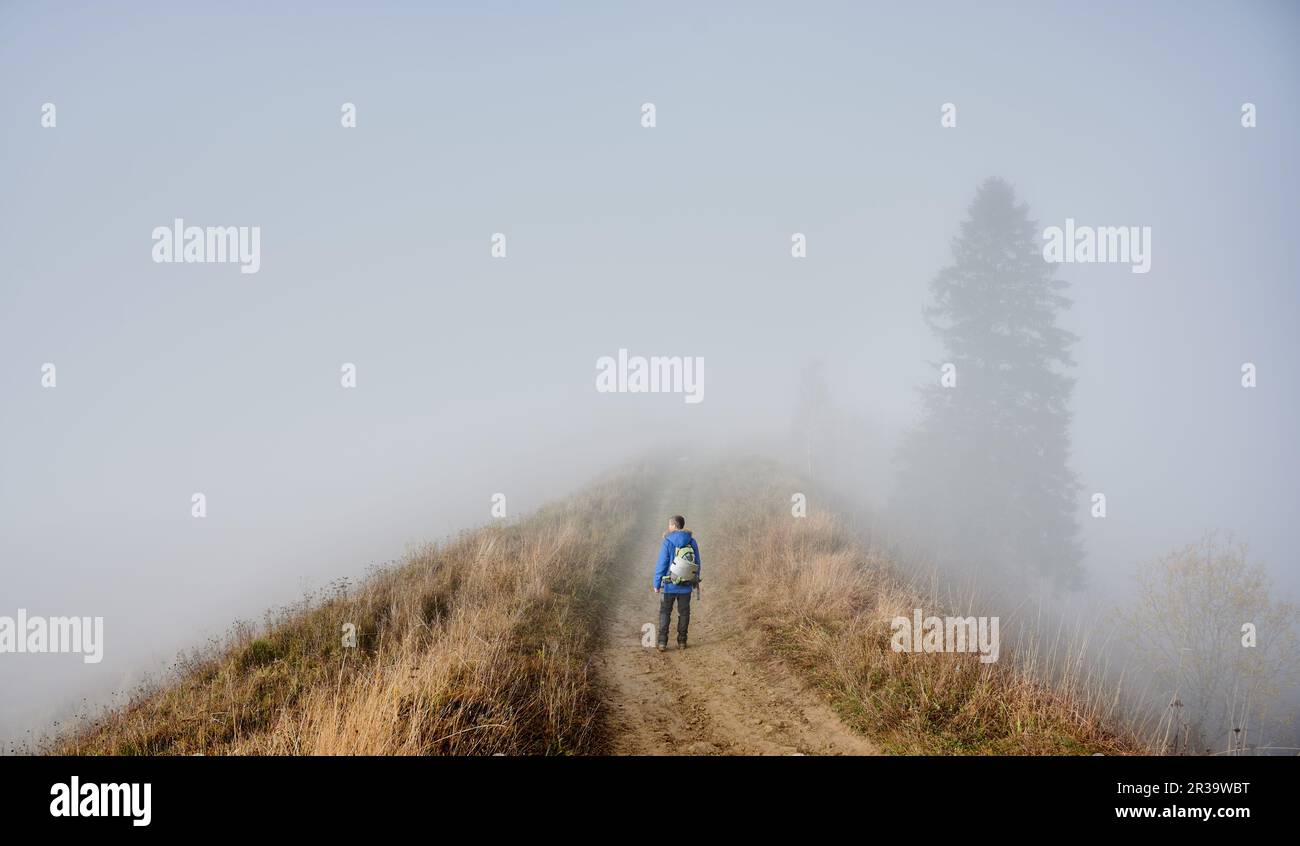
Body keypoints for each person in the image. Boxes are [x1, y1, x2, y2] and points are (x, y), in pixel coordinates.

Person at [653, 515, 701, 652]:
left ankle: (662, 642)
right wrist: (695, 580)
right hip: (686, 586)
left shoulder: (667, 541)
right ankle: (682, 642)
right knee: (684, 613)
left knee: (665, 613)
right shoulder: (692, 541)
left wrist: (657, 583)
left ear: (674, 526)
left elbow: (662, 564)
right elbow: (697, 563)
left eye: (670, 525)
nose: (669, 527)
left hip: (669, 586)